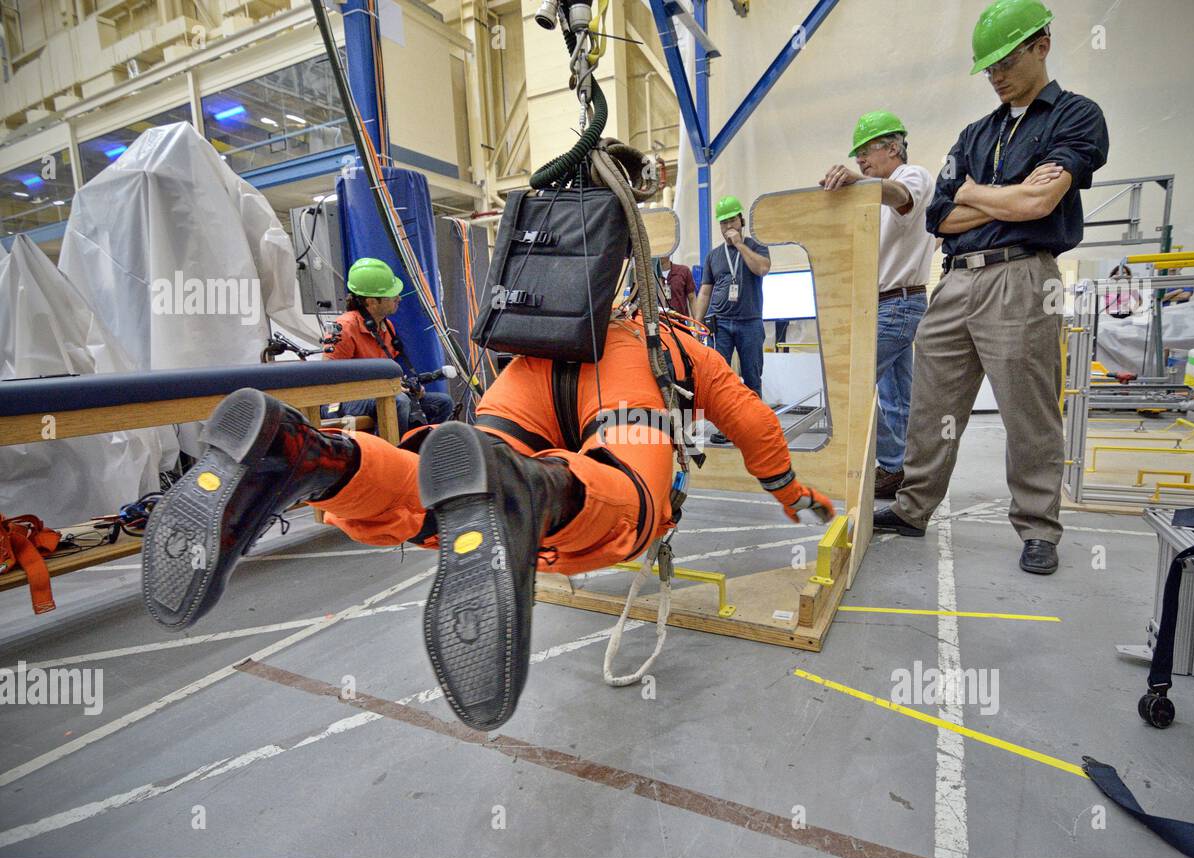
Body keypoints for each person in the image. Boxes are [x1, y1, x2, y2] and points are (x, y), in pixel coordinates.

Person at [140, 310, 834, 732]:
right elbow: (747, 416)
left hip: (524, 376)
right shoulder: (671, 341)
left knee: (446, 502)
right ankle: (531, 490)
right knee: (631, 507)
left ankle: (312, 459)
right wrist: (787, 488)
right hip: (619, 376)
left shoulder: (542, 330)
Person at [872, 0, 1108, 576]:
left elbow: (1039, 202)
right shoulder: (976, 132)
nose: (997, 74)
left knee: (1027, 411)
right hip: (954, 280)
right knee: (932, 406)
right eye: (989, 67)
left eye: (1007, 59)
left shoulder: (1076, 116)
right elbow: (939, 218)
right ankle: (912, 507)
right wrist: (997, 193)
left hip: (1022, 276)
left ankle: (1037, 527)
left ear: (1042, 45)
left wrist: (975, 191)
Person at [820, 110, 937, 499]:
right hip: (886, 304)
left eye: (866, 152)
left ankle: (890, 463)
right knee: (897, 397)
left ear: (893, 147)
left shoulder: (910, 176)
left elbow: (902, 198)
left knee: (853, 384)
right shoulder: (875, 194)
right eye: (857, 157)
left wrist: (863, 181)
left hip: (897, 305)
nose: (861, 161)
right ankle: (902, 468)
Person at [327, 258, 453, 434]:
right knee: (398, 401)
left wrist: (408, 386)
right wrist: (387, 389)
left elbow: (388, 373)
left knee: (442, 403)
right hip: (345, 400)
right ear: (371, 302)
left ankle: (420, 453)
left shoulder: (386, 327)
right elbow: (332, 381)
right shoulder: (345, 328)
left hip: (383, 393)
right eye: (391, 295)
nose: (398, 298)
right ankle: (392, 455)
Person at [695, 195, 772, 444]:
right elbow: (705, 291)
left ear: (741, 219)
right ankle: (727, 428)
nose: (727, 226)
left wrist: (739, 244)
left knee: (751, 375)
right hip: (720, 324)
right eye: (722, 222)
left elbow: (761, 268)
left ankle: (755, 427)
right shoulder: (713, 256)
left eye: (731, 220)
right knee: (721, 379)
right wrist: (697, 325)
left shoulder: (756, 246)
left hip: (750, 321)